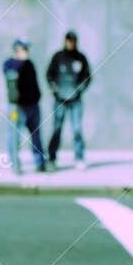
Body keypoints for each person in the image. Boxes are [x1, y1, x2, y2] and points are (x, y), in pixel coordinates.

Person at [45, 30, 92, 169]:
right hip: (60, 100)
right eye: (68, 40)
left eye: (73, 41)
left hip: (75, 101)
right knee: (57, 129)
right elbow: (49, 75)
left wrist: (80, 89)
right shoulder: (58, 57)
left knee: (77, 129)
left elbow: (87, 77)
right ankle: (52, 158)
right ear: (65, 41)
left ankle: (79, 158)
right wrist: (55, 90)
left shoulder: (81, 58)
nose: (71, 43)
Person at [1, 38, 47, 174]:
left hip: (33, 105)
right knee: (14, 135)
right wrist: (20, 61)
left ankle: (40, 163)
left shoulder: (30, 64)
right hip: (17, 107)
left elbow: (35, 82)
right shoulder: (10, 64)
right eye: (24, 49)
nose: (27, 52)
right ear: (17, 50)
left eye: (27, 49)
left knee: (36, 135)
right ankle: (15, 164)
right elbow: (12, 76)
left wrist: (38, 96)